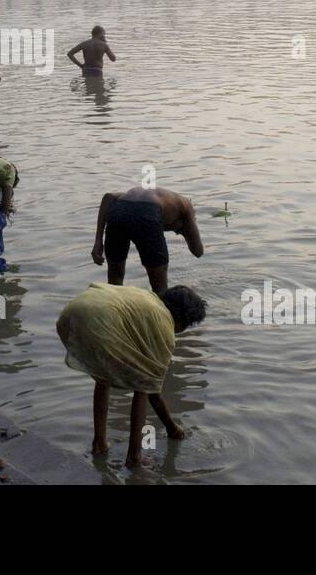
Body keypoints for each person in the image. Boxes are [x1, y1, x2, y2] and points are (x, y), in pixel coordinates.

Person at [57, 282, 207, 467]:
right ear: (183, 321)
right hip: (99, 323)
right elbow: (152, 391)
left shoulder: (146, 299)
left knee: (103, 378)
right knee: (142, 384)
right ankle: (134, 457)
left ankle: (100, 443)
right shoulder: (164, 326)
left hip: (71, 314)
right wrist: (172, 428)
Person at [91, 187, 203, 293]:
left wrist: (98, 242)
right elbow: (198, 251)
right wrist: (186, 231)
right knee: (160, 290)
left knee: (114, 282)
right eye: (177, 231)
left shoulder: (145, 194)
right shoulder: (187, 208)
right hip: (148, 213)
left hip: (119, 210)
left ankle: (114, 308)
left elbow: (108, 197)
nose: (176, 233)